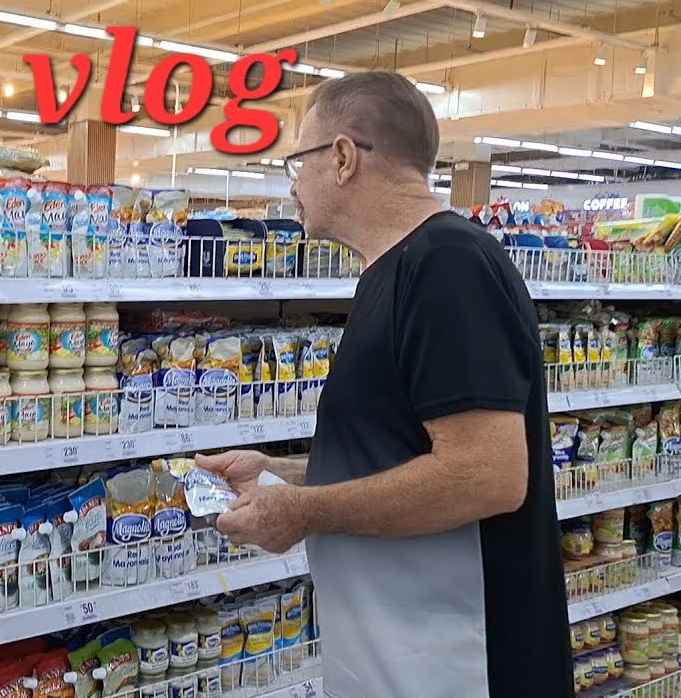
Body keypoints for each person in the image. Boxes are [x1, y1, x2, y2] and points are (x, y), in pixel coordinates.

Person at [197, 71, 572, 697]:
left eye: (297, 161)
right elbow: (397, 451)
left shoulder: (448, 264)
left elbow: (488, 474)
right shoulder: (391, 272)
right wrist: (280, 474)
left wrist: (303, 512)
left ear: (343, 157)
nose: (292, 184)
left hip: (462, 663)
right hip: (400, 654)